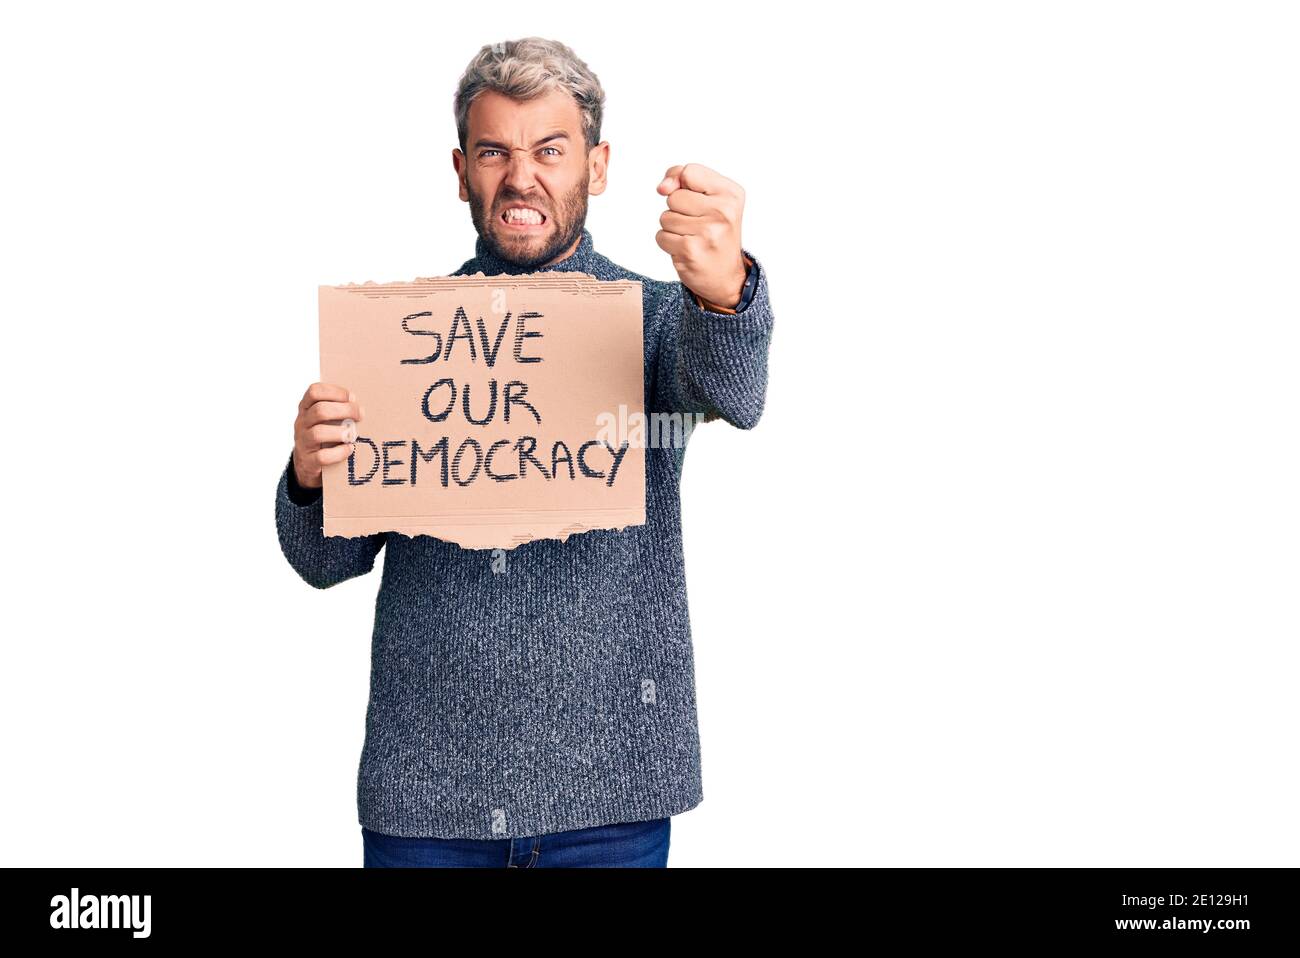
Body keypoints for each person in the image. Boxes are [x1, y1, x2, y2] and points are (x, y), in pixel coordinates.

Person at [275, 36, 774, 868]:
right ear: (462, 170)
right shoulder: (400, 341)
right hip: (426, 802)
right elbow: (324, 561)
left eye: (549, 150)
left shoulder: (653, 320)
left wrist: (724, 290)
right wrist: (306, 475)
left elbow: (733, 392)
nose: (521, 177)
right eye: (495, 152)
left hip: (611, 801)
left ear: (598, 165)